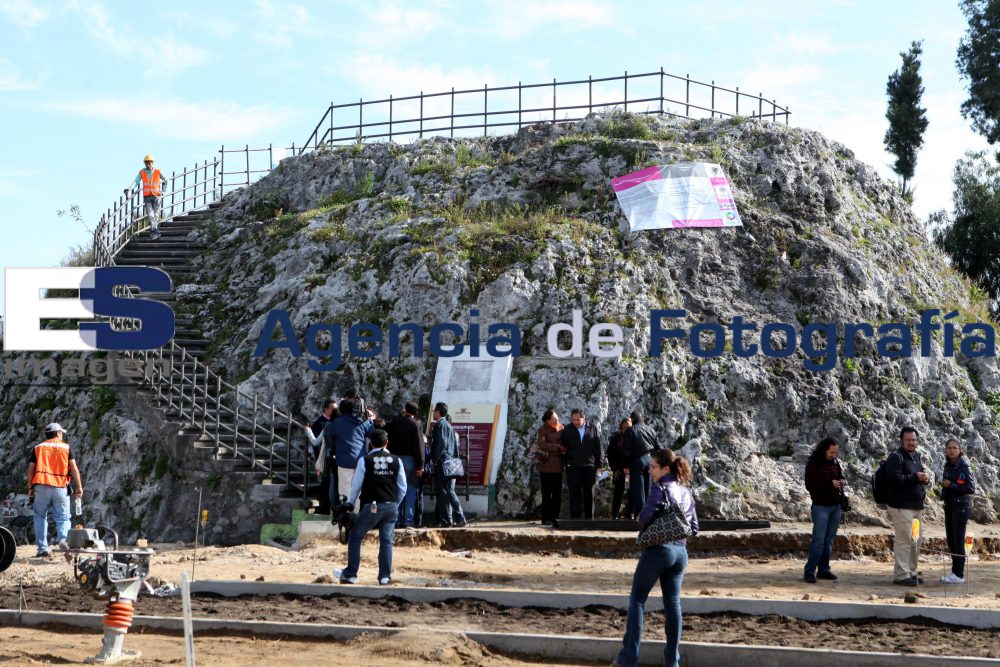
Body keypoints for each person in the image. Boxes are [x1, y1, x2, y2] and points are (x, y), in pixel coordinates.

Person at [614, 451, 697, 667]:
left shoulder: (660, 488)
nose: (649, 470)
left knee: (637, 600)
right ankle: (672, 662)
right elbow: (695, 527)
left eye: (653, 467)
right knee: (673, 603)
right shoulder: (685, 491)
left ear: (665, 469)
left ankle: (628, 659)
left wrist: (639, 517)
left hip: (659, 550)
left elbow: (644, 518)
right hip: (681, 552)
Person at [334, 429, 406, 585]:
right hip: (391, 506)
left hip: (372, 506)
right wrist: (394, 504)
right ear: (387, 443)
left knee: (355, 535)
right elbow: (403, 487)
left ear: (371, 443)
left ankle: (351, 573)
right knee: (386, 540)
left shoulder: (364, 460)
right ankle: (385, 576)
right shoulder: (396, 460)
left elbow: (356, 485)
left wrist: (351, 503)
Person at [27, 423, 84, 558]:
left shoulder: (38, 448)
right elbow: (74, 468)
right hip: (60, 487)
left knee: (40, 517)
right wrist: (79, 487)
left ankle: (42, 550)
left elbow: (30, 469)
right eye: (61, 433)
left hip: (41, 487)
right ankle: (64, 542)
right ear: (58, 433)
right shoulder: (66, 448)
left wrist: (30, 487)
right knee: (63, 517)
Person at [885, 426, 930, 586]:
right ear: (901, 440)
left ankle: (911, 572)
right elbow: (894, 480)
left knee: (916, 540)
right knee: (904, 540)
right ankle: (901, 575)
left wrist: (924, 479)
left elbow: (917, 476)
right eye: (908, 440)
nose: (911, 442)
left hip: (916, 506)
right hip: (901, 506)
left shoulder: (916, 456)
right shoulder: (895, 457)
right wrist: (915, 477)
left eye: (914, 439)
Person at [803, 437, 845, 583]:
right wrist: (829, 484)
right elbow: (810, 486)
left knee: (828, 541)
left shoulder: (835, 462)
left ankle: (824, 570)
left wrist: (841, 482)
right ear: (824, 450)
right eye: (832, 452)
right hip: (820, 506)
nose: (834, 455)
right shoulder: (813, 463)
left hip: (835, 506)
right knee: (818, 541)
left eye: (835, 453)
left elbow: (839, 476)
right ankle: (809, 571)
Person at [322, 398, 374, 511]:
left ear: (341, 409)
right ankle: (357, 515)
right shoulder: (363, 421)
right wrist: (369, 419)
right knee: (359, 489)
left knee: (345, 490)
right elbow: (372, 433)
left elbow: (330, 439)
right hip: (361, 460)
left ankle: (346, 517)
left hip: (343, 460)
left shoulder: (336, 422)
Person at [940, 437, 975, 584]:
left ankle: (959, 574)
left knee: (958, 540)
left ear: (960, 450)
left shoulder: (964, 466)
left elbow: (970, 488)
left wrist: (951, 485)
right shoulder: (948, 465)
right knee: (952, 540)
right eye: (949, 448)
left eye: (955, 448)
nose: (952, 450)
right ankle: (955, 572)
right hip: (950, 505)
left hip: (961, 506)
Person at [386, 401, 425, 529]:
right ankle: (408, 520)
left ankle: (395, 520)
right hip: (410, 460)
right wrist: (421, 465)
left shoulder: (396, 422)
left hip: (396, 459)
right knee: (411, 490)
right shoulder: (416, 424)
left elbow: (389, 438)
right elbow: (419, 445)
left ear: (405, 410)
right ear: (416, 412)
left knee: (397, 490)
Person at [560, 408, 603, 519]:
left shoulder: (593, 428)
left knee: (589, 493)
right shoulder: (568, 430)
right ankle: (575, 519)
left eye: (578, 420)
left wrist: (600, 466)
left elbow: (599, 448)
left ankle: (590, 518)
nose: (575, 422)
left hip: (589, 466)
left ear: (584, 418)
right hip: (573, 466)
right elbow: (563, 447)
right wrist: (565, 462)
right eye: (573, 420)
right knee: (574, 492)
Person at [430, 402, 467, 528]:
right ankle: (451, 519)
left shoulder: (440, 425)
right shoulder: (450, 427)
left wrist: (434, 459)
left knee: (446, 492)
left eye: (434, 411)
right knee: (447, 491)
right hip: (451, 462)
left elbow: (441, 444)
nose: (433, 413)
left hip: (443, 463)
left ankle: (454, 519)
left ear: (438, 411)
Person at [534, 409, 567, 527]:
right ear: (548, 421)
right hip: (546, 466)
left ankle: (555, 517)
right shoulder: (543, 430)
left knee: (557, 494)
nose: (557, 420)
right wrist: (556, 446)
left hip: (558, 466)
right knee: (547, 494)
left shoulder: (562, 428)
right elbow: (542, 445)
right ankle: (546, 517)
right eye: (554, 419)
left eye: (557, 418)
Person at [624, 411, 658, 519]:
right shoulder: (651, 430)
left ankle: (640, 513)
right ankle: (649, 512)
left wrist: (626, 464)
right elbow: (658, 448)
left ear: (632, 420)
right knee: (648, 487)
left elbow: (627, 450)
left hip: (637, 461)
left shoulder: (631, 430)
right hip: (650, 460)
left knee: (638, 488)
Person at [306, 399, 337, 515]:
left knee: (329, 483)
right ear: (326, 409)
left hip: (330, 459)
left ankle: (326, 505)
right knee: (327, 483)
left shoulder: (331, 424)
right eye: (332, 408)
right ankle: (324, 504)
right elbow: (316, 444)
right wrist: (320, 459)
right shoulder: (320, 424)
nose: (335, 410)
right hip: (325, 459)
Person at [130, 154, 167, 240]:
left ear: (152, 163)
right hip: (147, 196)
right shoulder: (142, 172)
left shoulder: (158, 171)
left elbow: (166, 180)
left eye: (149, 163)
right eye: (146, 163)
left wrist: (163, 191)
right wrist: (130, 188)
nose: (148, 165)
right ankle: (155, 231)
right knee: (151, 215)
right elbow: (136, 181)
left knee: (156, 214)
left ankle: (154, 231)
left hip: (156, 196)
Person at [607, 417, 632, 520]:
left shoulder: (633, 438)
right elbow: (610, 455)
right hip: (618, 470)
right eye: (624, 427)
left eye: (628, 427)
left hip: (630, 471)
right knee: (618, 493)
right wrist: (615, 469)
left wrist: (630, 468)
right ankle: (615, 515)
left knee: (631, 493)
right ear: (621, 428)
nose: (625, 429)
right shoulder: (616, 438)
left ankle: (630, 514)